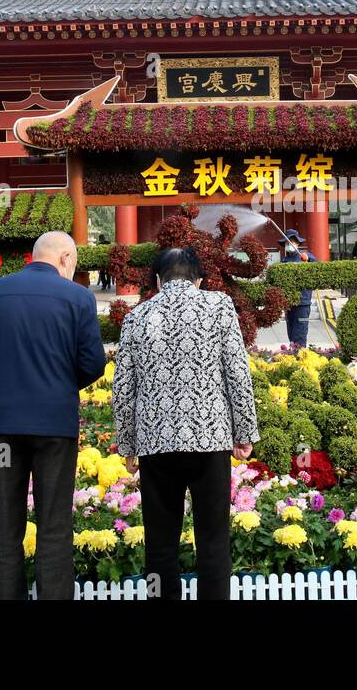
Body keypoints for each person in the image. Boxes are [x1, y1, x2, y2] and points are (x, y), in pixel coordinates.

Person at [0, 230, 107, 600]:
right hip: (55, 426)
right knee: (54, 524)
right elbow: (93, 363)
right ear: (66, 259)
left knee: (5, 525)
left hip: (3, 429)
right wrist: (60, 383)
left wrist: (3, 378)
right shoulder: (77, 298)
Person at [111, 247, 258, 600]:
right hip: (210, 439)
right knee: (213, 540)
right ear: (199, 280)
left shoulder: (136, 317)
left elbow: (123, 388)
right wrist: (245, 433)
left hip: (156, 445)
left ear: (158, 281)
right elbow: (237, 372)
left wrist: (128, 446)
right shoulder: (219, 307)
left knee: (159, 544)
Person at [278, 229, 314, 348]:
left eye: (293, 242)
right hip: (289, 303)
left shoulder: (305, 257)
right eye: (288, 242)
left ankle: (299, 357)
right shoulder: (283, 262)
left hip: (302, 303)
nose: (290, 245)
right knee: (291, 332)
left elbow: (319, 266)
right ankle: (293, 356)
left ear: (298, 244)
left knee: (300, 333)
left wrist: (309, 259)